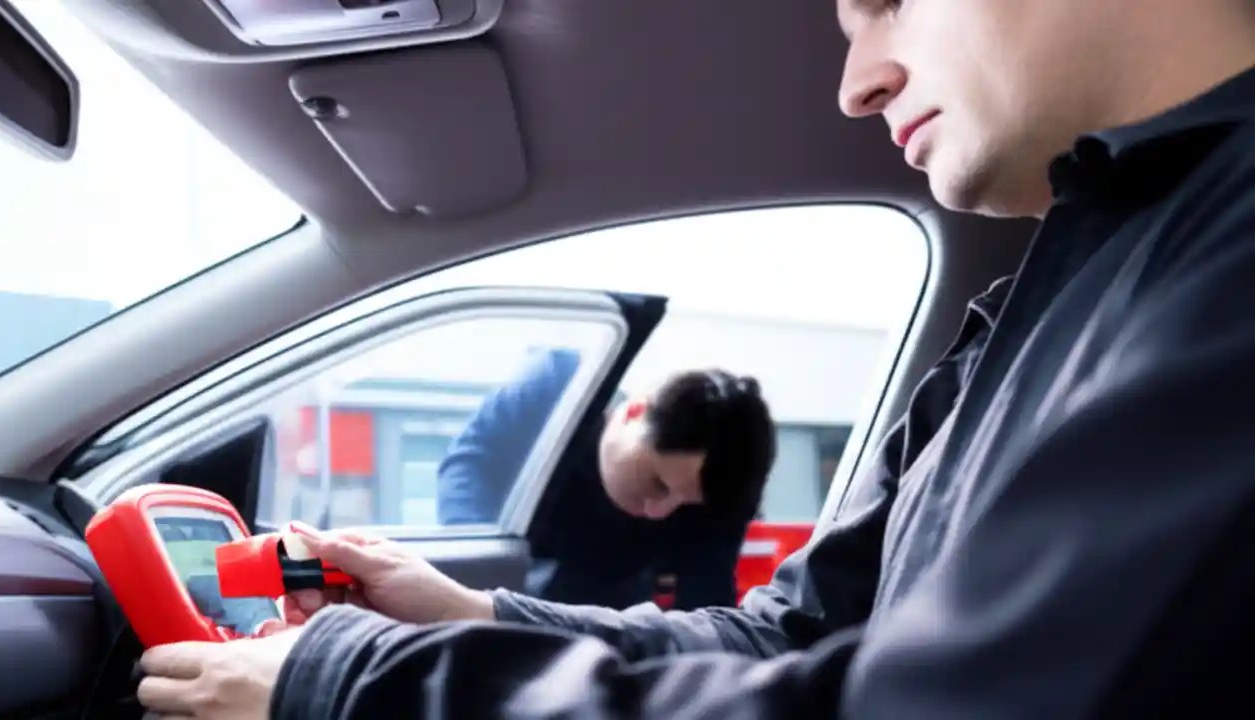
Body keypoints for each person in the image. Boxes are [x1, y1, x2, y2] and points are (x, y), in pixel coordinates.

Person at [136, 0, 1255, 716]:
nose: (854, 83)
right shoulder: (1010, 329)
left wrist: (353, 682)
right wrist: (467, 614)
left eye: (886, 1)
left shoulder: (1225, 253)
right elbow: (791, 635)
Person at [435, 345, 778, 609]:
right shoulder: (559, 389)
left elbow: (706, 606)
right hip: (506, 586)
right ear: (636, 413)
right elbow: (468, 469)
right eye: (658, 484)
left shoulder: (718, 496)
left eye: (685, 505)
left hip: (611, 614)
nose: (658, 512)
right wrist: (476, 590)